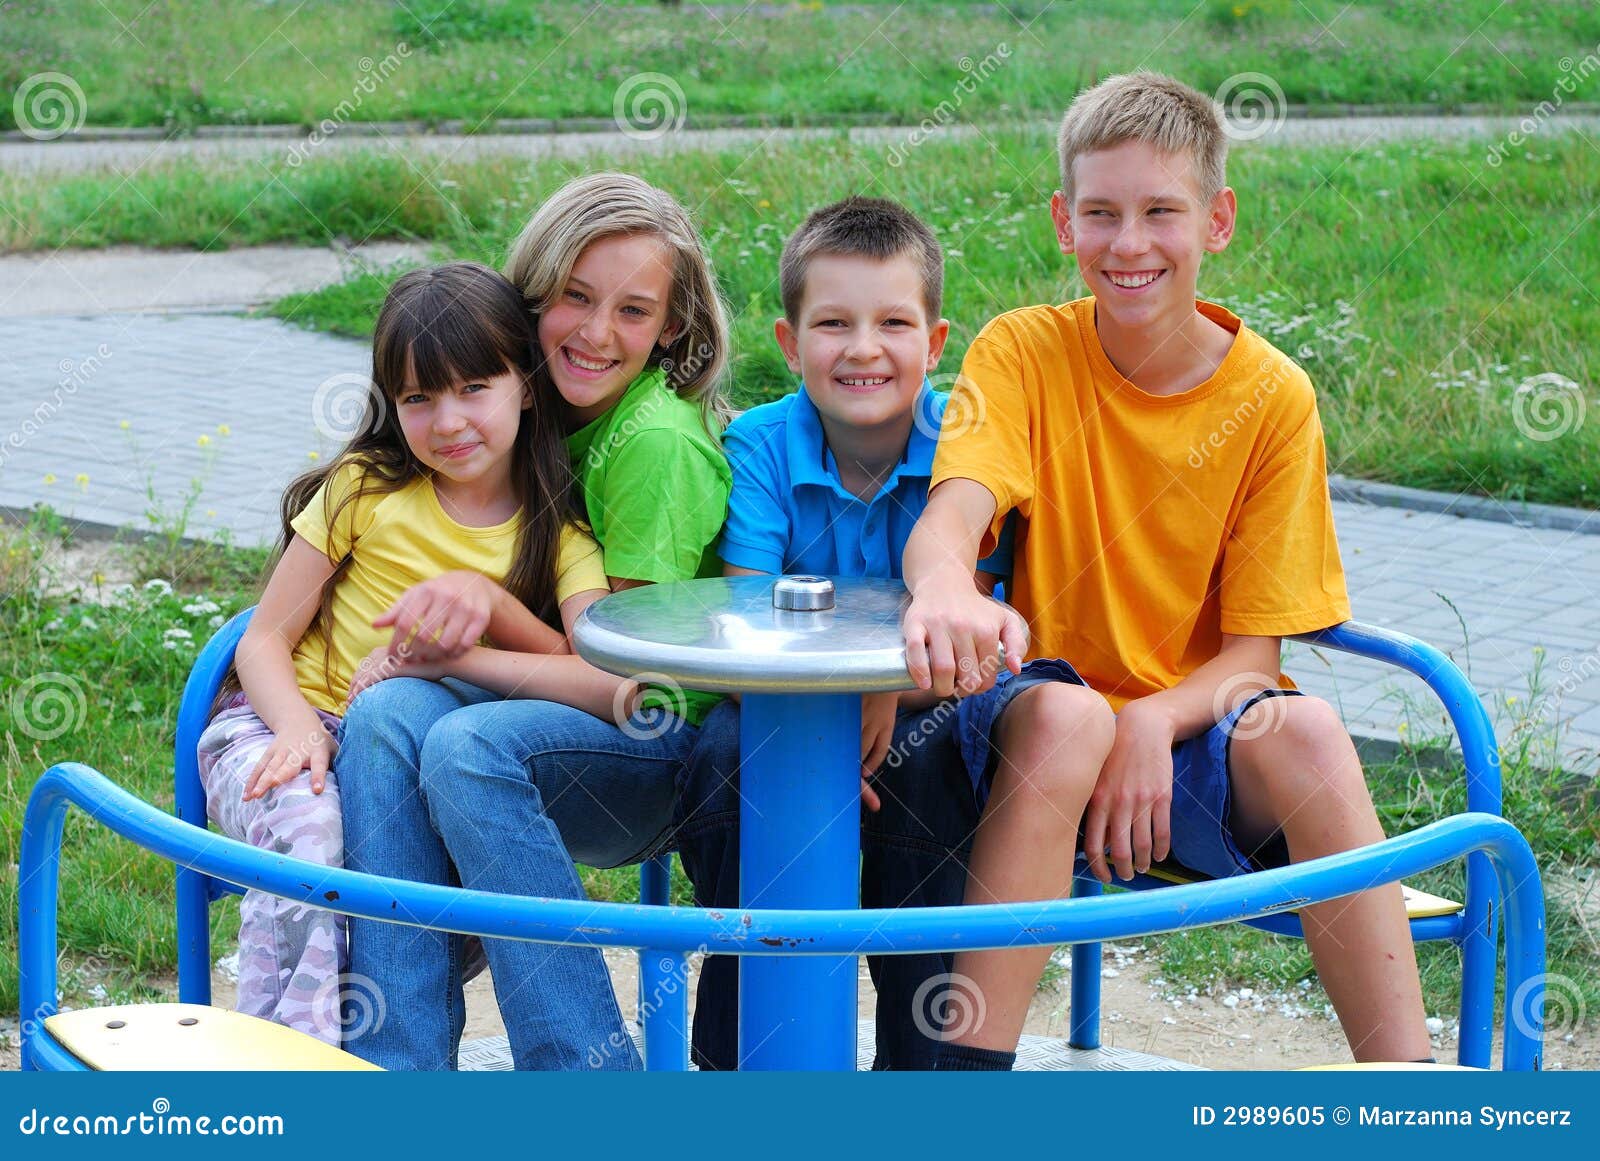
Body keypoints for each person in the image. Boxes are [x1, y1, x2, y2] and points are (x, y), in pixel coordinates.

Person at [899, 71, 1432, 1069]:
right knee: (1068, 715)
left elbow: (1250, 653)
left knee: (1309, 729)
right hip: (1034, 728)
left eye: (1160, 212)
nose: (1128, 244)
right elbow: (953, 511)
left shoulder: (1272, 397)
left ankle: (1405, 1091)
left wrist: (1152, 716)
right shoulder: (1021, 351)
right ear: (1064, 222)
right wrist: (940, 581)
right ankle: (962, 1089)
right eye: (1100, 214)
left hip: (1188, 738)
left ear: (1217, 220)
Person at [675, 196, 1109, 1070]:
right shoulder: (759, 445)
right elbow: (750, 622)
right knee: (725, 755)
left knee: (940, 766)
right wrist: (837, 710)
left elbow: (975, 644)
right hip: (781, 711)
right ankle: (748, 1048)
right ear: (790, 343)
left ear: (936, 341)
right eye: (833, 323)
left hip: (926, 704)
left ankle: (925, 1069)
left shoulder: (964, 441)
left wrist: (878, 692)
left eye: (893, 323)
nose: (863, 347)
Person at [338, 173, 733, 1070]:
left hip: (661, 744)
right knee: (387, 715)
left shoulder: (653, 446)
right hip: (560, 712)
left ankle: (586, 1076)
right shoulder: (528, 405)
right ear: (534, 295)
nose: (596, 333)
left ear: (671, 327)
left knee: (465, 744)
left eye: (633, 311)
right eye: (575, 297)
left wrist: (471, 645)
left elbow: (631, 685)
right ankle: (398, 1069)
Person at [198, 261, 633, 1051]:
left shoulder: (555, 531)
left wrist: (481, 629)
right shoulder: (366, 488)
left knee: (437, 834)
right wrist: (298, 729)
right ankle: (284, 1067)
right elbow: (263, 639)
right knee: (311, 824)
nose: (447, 420)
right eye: (418, 398)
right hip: (277, 727)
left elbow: (595, 678)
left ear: (526, 387)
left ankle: (393, 1065)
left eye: (474, 387)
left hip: (400, 750)